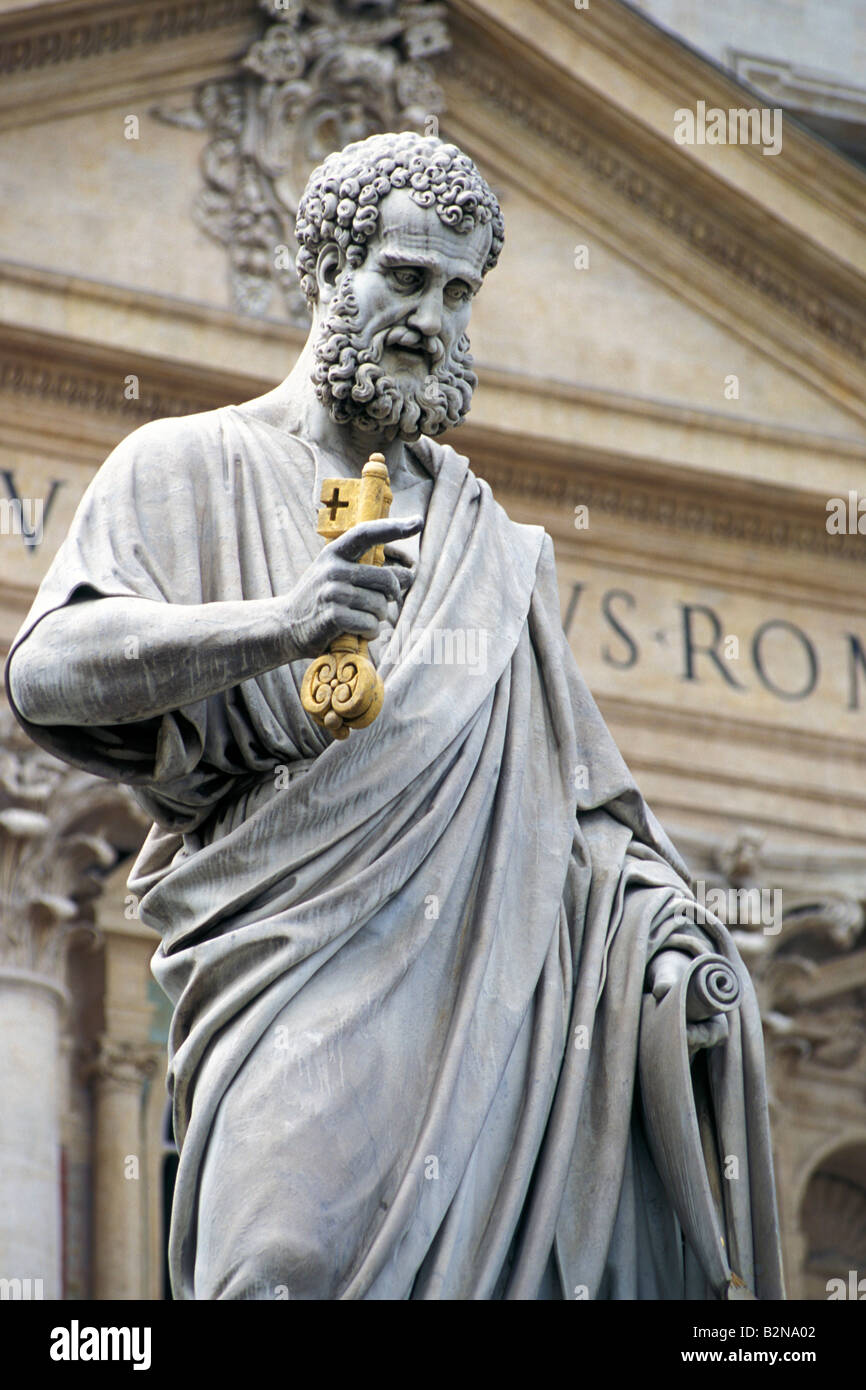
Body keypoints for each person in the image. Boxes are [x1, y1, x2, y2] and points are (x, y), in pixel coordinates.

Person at [5, 132, 783, 1300]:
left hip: (487, 1026)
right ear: (324, 271)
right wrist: (276, 624)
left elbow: (576, 820)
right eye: (406, 278)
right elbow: (45, 674)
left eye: (460, 291)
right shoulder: (184, 465)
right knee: (273, 1263)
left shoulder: (496, 550)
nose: (434, 317)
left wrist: (663, 949)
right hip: (289, 977)